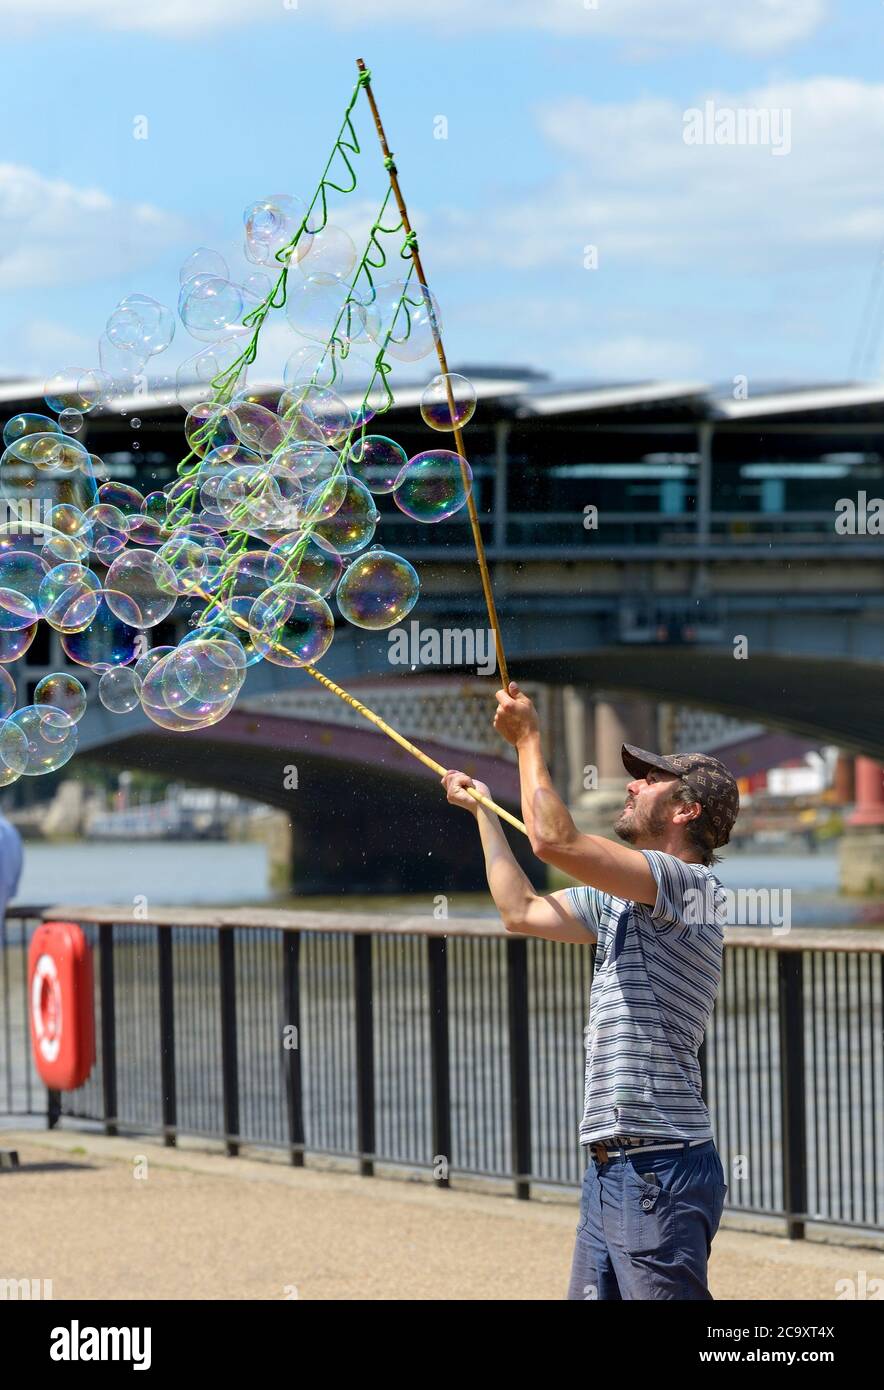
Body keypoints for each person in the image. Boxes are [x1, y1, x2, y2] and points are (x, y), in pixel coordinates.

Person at [441, 681, 739, 1301]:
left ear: (686, 812)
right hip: (612, 1164)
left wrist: (528, 740)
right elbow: (520, 911)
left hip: (659, 1160)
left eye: (650, 780)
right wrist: (483, 817)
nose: (631, 783)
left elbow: (556, 843)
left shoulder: (689, 886)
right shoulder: (620, 898)